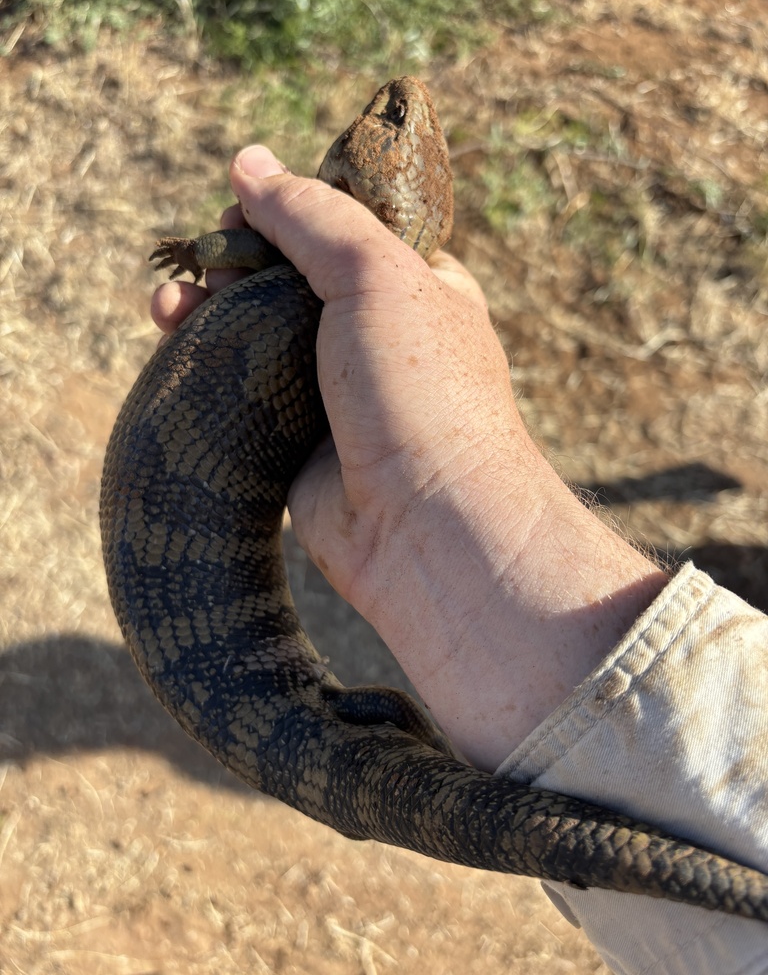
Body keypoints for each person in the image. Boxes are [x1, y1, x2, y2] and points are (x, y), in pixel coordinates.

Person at [151, 145, 768, 975]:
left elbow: (225, 254)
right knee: (386, 759)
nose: (392, 112)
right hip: (253, 680)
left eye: (390, 122)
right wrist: (424, 511)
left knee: (392, 772)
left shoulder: (306, 284)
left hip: (213, 648)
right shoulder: (331, 299)